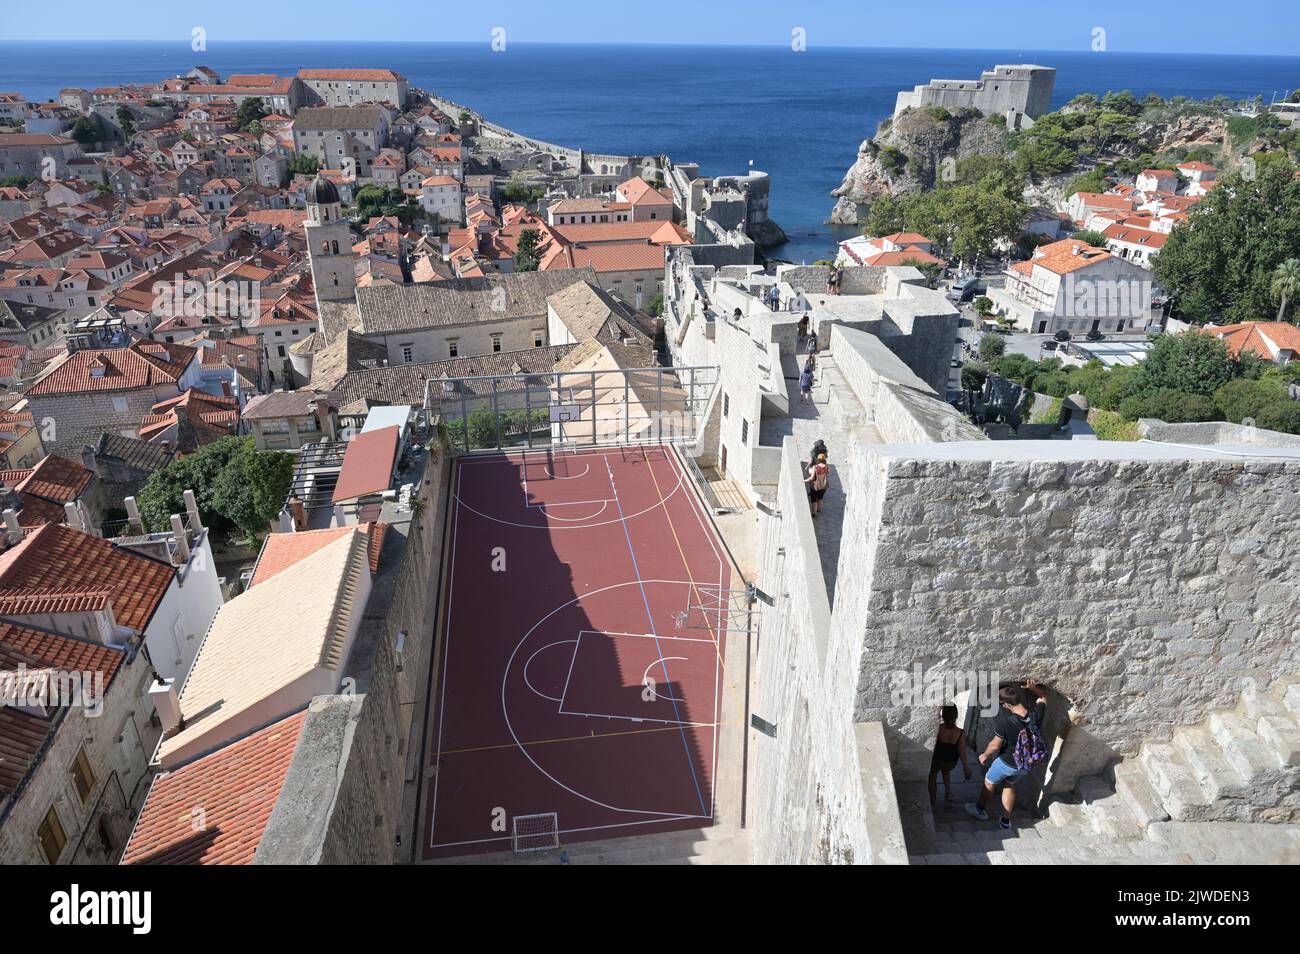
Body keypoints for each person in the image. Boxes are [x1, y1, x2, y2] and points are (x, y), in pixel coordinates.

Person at [965, 680, 1049, 830]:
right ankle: (1005, 821)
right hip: (1026, 763)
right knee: (1009, 784)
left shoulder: (1007, 723)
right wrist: (1033, 688)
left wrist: (984, 755)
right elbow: (1043, 697)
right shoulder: (1036, 714)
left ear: (1007, 705)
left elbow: (995, 744)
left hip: (1007, 762)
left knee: (989, 782)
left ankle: (980, 809)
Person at [928, 704, 972, 806]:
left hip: (936, 759)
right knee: (946, 772)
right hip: (950, 761)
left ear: (943, 715)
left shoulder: (938, 729)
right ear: (956, 716)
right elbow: (962, 750)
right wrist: (966, 767)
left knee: (932, 777)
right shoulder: (960, 733)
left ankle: (933, 800)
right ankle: (948, 793)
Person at [804, 453, 830, 517]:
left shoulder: (815, 467)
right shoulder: (827, 467)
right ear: (824, 459)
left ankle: (814, 513)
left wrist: (804, 480)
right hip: (823, 486)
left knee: (814, 500)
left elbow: (812, 477)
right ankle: (819, 510)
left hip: (815, 486)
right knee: (820, 498)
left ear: (818, 459)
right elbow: (827, 474)